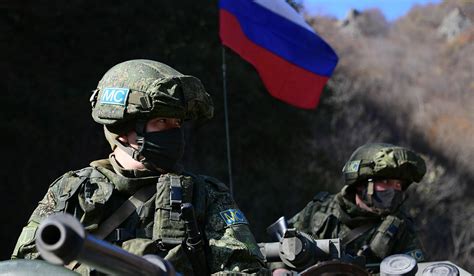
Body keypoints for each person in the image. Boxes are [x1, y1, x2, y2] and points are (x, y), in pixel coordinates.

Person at [12, 59, 269, 275]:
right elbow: (26, 267)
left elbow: (246, 270)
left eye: (177, 123)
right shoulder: (73, 191)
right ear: (123, 129)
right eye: (162, 121)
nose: (174, 132)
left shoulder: (205, 195)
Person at [288, 143, 427, 267]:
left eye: (398, 185)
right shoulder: (319, 209)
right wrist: (279, 269)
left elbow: (416, 269)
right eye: (386, 182)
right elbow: (280, 245)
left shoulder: (401, 229)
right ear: (361, 184)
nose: (394, 190)